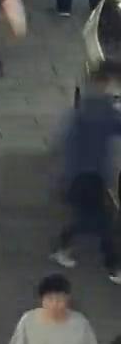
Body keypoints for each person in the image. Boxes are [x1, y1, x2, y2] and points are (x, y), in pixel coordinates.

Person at [50, 73, 121, 278]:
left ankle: (63, 247)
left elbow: (63, 142)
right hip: (89, 175)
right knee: (102, 220)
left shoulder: (83, 111)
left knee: (90, 218)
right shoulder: (101, 111)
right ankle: (113, 265)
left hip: (82, 174)